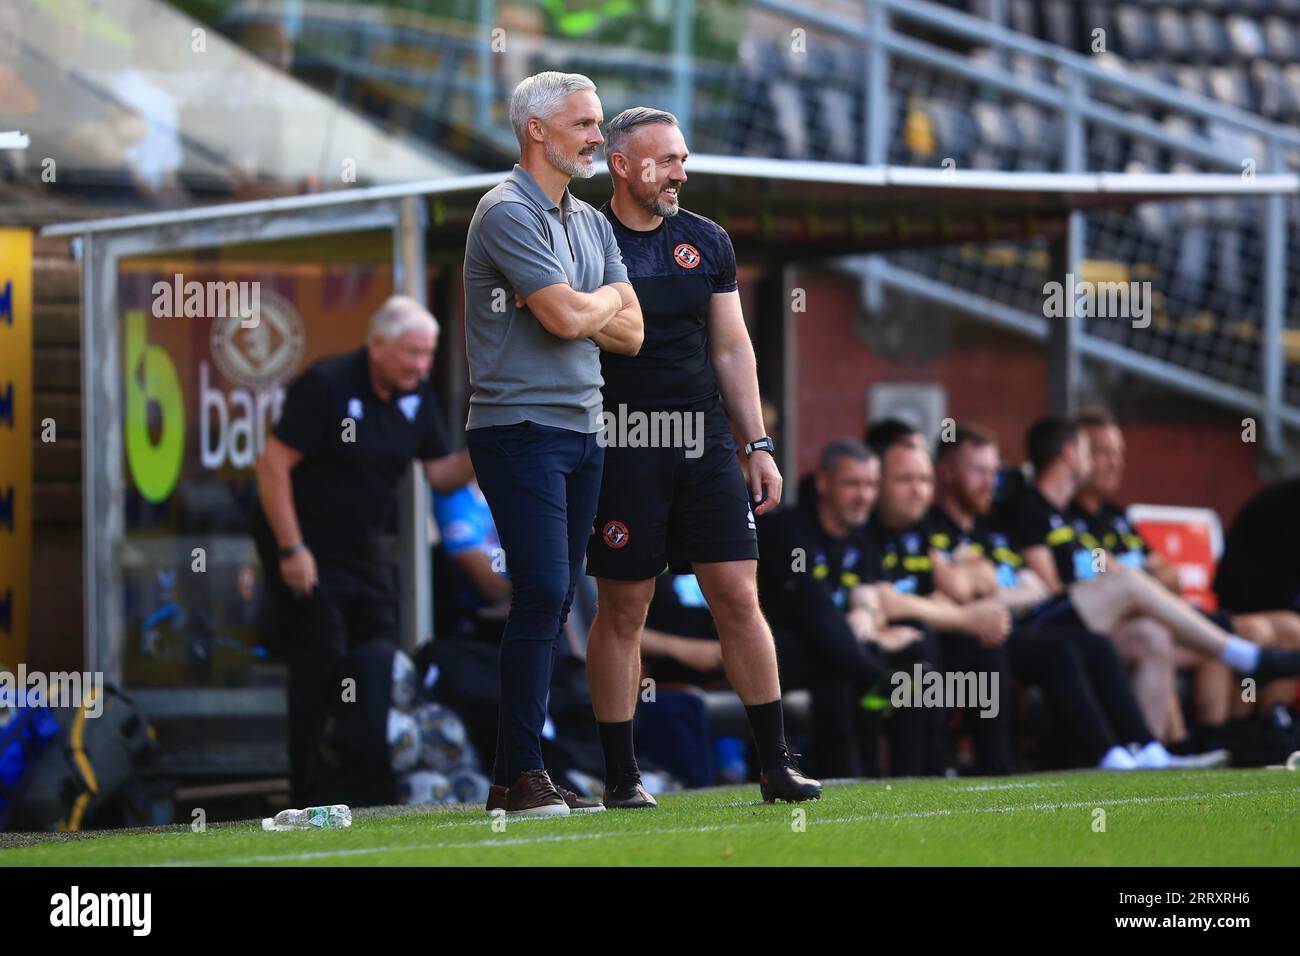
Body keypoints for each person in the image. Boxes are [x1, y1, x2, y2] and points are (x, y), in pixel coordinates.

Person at [582, 106, 820, 805]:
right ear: (621, 165)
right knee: (624, 609)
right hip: (623, 445)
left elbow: (730, 347)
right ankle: (621, 778)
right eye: (666, 161)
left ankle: (775, 764)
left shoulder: (707, 240)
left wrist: (759, 444)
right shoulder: (583, 236)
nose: (680, 173)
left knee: (738, 597)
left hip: (705, 442)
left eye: (683, 159)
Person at [463, 71, 643, 818]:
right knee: (541, 593)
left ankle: (513, 778)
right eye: (583, 124)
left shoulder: (592, 221)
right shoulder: (505, 210)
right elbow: (570, 321)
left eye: (597, 123)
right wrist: (594, 304)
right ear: (536, 130)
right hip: (519, 431)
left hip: (581, 429)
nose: (598, 137)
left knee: (557, 594)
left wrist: (585, 304)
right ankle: (523, 773)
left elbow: (630, 332)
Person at [253, 295, 473, 807]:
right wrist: (291, 548)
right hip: (307, 547)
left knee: (379, 659)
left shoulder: (417, 397)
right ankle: (307, 795)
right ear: (378, 345)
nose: (420, 365)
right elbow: (272, 466)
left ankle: (368, 786)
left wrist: (492, 447)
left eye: (427, 354)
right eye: (410, 353)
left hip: (365, 548)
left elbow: (441, 474)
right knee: (321, 665)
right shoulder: (327, 384)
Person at [929, 424, 1226, 770]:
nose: (989, 482)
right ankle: (1108, 754)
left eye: (993, 471)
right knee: (1065, 648)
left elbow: (1032, 586)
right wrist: (994, 587)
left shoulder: (992, 528)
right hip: (978, 635)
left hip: (1019, 622)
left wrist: (992, 585)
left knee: (1097, 643)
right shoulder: (936, 528)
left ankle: (1143, 748)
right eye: (978, 471)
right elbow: (964, 590)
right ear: (947, 472)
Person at [1003, 417, 1300, 720]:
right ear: (1072, 454)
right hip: (1070, 627)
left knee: (1286, 628)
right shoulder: (1037, 509)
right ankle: (1235, 703)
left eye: (1119, 453)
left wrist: (1134, 582)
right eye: (1098, 453)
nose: (1112, 463)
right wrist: (1129, 583)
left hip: (1132, 616)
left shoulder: (1108, 517)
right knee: (1152, 620)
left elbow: (1171, 578)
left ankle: (1230, 738)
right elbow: (1052, 590)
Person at [758, 439, 947, 778]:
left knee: (918, 658)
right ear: (824, 484)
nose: (864, 495)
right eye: (852, 484)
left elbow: (866, 597)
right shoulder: (789, 529)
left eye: (871, 484)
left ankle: (919, 778)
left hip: (844, 649)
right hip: (780, 652)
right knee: (832, 657)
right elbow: (812, 611)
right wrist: (866, 642)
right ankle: (851, 773)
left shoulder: (862, 534)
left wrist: (867, 616)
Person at [867, 436, 1016, 774]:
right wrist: (962, 616)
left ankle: (995, 770)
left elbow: (954, 590)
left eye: (924, 480)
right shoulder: (866, 530)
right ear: (879, 484)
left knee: (984, 646)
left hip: (921, 670)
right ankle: (920, 775)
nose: (918, 490)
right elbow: (887, 602)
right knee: (921, 641)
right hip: (869, 676)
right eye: (905, 480)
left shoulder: (919, 531)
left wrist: (932, 604)